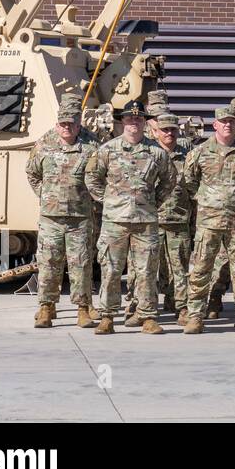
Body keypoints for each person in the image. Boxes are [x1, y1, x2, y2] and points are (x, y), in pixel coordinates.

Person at [85, 99, 175, 335]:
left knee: (146, 270)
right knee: (111, 269)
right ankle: (107, 316)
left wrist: (153, 202)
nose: (134, 121)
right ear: (122, 121)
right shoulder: (107, 150)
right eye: (129, 118)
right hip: (115, 220)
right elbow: (92, 177)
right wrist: (107, 201)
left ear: (144, 122)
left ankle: (147, 316)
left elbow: (169, 180)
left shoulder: (156, 152)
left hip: (145, 222)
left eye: (138, 118)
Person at [182, 106, 235, 335]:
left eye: (231, 121)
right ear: (214, 125)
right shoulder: (199, 152)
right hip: (208, 221)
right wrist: (206, 198)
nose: (227, 124)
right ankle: (195, 316)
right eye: (223, 121)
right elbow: (189, 181)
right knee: (200, 270)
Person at [27, 96, 100, 329]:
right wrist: (46, 195)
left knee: (81, 264)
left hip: (80, 217)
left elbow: (100, 175)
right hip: (51, 217)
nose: (67, 127)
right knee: (48, 263)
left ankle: (82, 309)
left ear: (79, 124)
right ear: (57, 124)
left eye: (71, 123)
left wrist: (94, 200)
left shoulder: (92, 146)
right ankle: (46, 307)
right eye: (63, 124)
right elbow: (32, 173)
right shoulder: (44, 144)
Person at [151, 111, 195, 324]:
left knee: (180, 268)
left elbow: (195, 187)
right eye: (165, 130)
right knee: (148, 268)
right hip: (151, 221)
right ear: (156, 132)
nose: (169, 133)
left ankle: (182, 307)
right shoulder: (148, 153)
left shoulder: (189, 156)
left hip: (179, 219)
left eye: (173, 130)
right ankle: (147, 308)